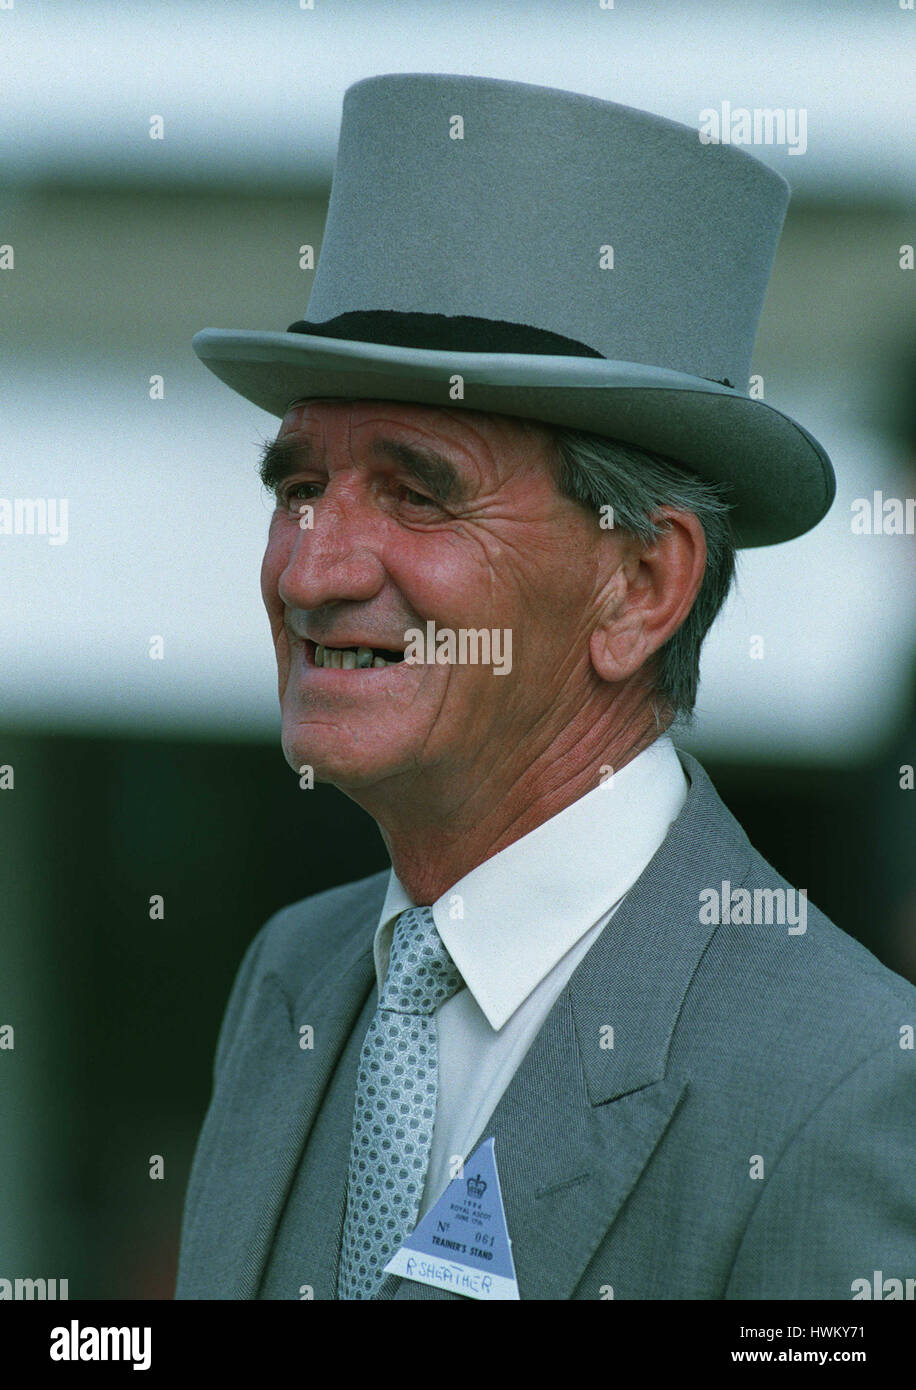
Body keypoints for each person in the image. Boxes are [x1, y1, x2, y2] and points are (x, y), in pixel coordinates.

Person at [174, 73, 916, 1300]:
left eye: (417, 492)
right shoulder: (291, 980)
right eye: (298, 486)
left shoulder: (841, 1087)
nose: (312, 565)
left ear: (640, 586)